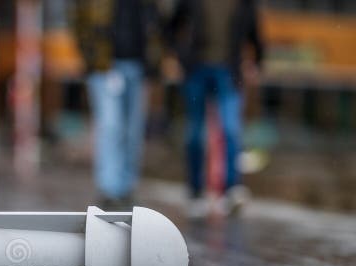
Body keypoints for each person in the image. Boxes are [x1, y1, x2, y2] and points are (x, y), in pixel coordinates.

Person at [167, 0, 263, 217]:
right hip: (196, 71)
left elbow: (254, 30)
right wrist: (180, 57)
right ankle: (195, 190)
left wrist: (257, 60)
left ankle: (231, 189)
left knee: (230, 128)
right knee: (194, 133)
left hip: (229, 72)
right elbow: (172, 26)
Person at [70, 0, 161, 210]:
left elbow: (155, 24)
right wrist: (91, 59)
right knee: (110, 126)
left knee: (133, 130)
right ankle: (109, 188)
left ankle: (126, 187)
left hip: (137, 66)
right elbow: (79, 22)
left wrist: (155, 61)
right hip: (105, 68)